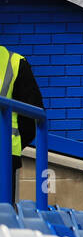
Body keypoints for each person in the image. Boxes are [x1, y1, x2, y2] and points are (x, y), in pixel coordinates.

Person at [0, 44, 45, 193]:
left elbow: (33, 117)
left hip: (5, 155)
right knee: (4, 213)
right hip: (5, 153)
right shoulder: (15, 62)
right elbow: (33, 118)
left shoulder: (15, 62)